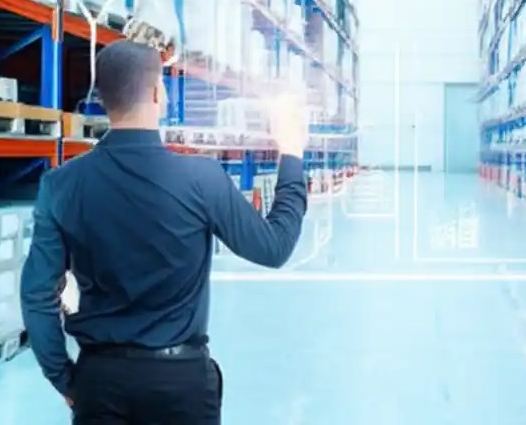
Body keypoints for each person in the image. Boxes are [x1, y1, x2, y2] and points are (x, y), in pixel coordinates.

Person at [20, 40, 310, 423]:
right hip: (182, 384)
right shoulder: (201, 178)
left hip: (99, 383)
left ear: (103, 98)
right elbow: (274, 247)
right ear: (158, 93)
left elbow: (37, 294)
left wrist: (66, 379)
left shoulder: (61, 186)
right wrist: (291, 153)